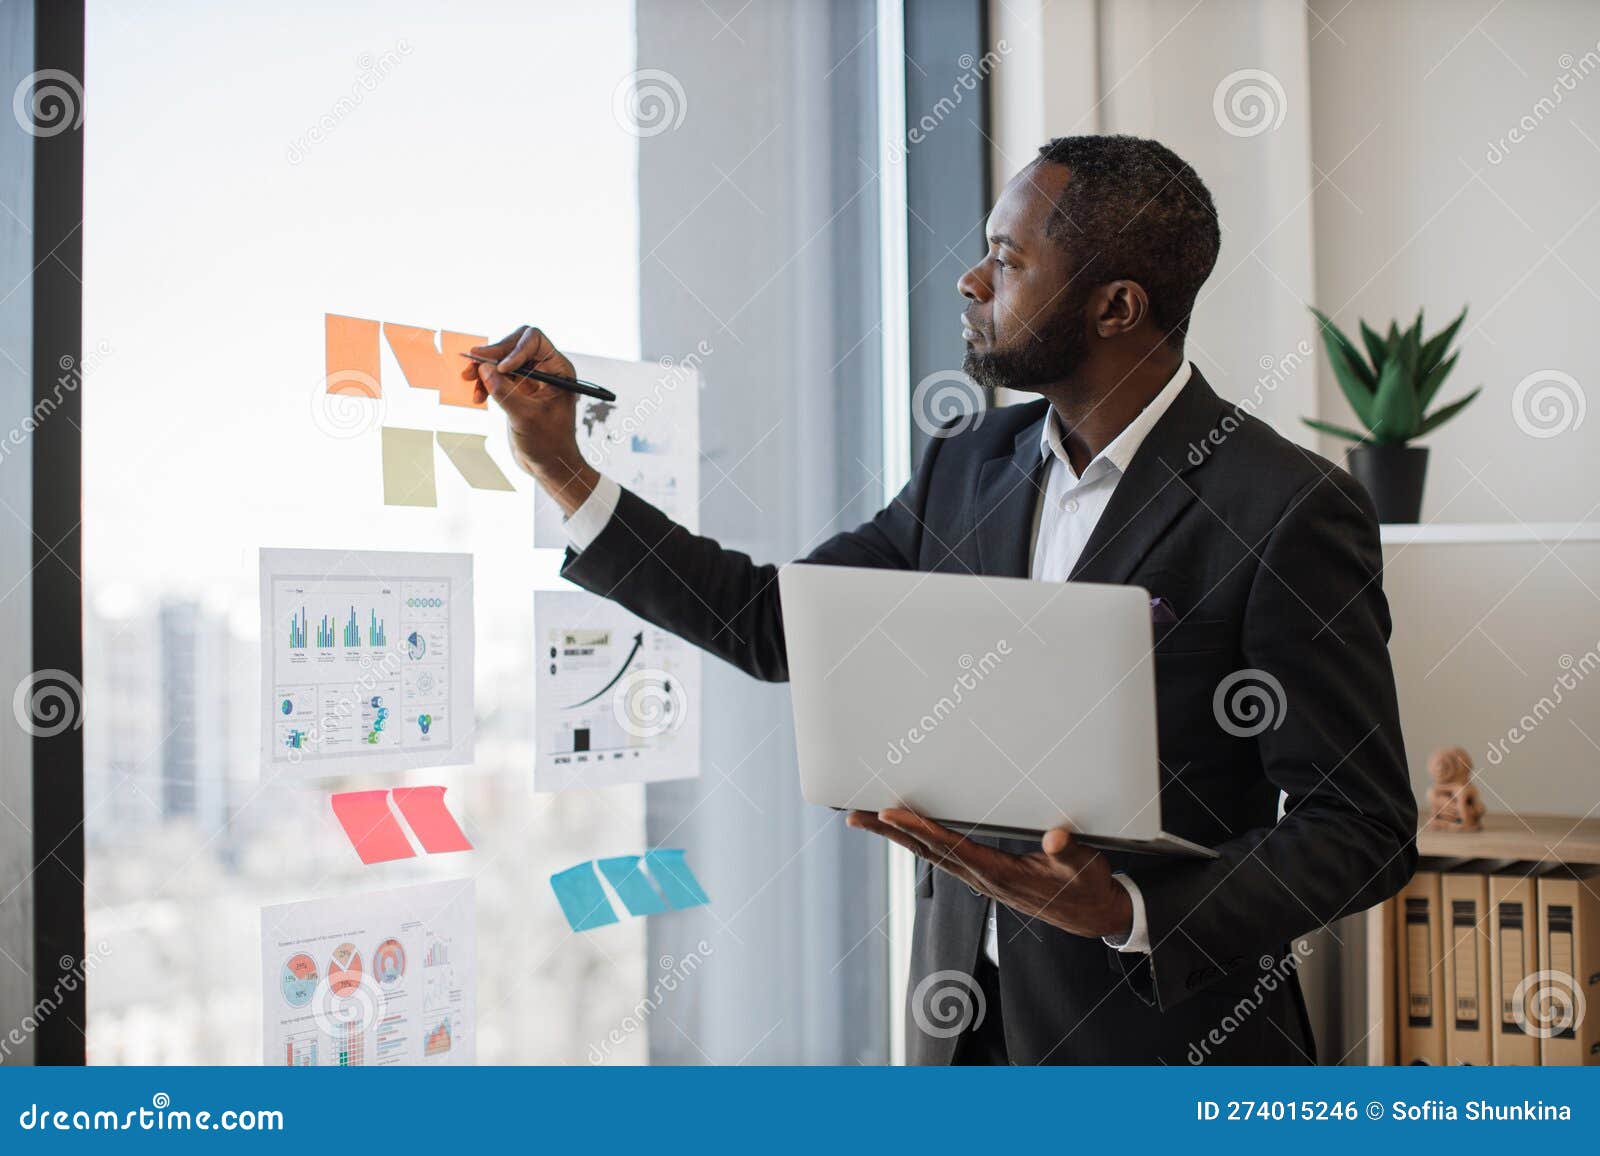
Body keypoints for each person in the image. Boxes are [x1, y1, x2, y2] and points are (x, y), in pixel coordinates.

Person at [463, 134, 1418, 1065]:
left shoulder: (1286, 507)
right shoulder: (967, 467)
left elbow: (1362, 829)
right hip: (960, 1031)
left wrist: (1125, 908)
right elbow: (773, 624)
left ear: (1116, 307)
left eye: (1007, 259)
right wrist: (562, 468)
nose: (970, 280)